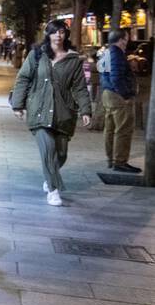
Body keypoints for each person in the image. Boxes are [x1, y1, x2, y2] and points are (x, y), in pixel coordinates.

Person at [10, 19, 93, 206]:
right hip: (38, 110)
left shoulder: (73, 59)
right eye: (54, 32)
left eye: (62, 32)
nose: (58, 35)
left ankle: (49, 178)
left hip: (63, 113)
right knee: (48, 150)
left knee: (61, 154)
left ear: (66, 35)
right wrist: (18, 104)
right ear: (48, 34)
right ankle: (54, 191)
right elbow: (23, 78)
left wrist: (86, 110)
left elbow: (80, 88)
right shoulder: (37, 55)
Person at [99, 29, 140, 173]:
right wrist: (126, 94)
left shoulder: (107, 52)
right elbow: (116, 77)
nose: (127, 41)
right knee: (123, 129)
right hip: (117, 95)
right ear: (122, 39)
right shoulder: (116, 54)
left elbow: (104, 73)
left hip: (108, 93)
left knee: (110, 129)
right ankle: (120, 162)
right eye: (127, 38)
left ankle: (112, 160)